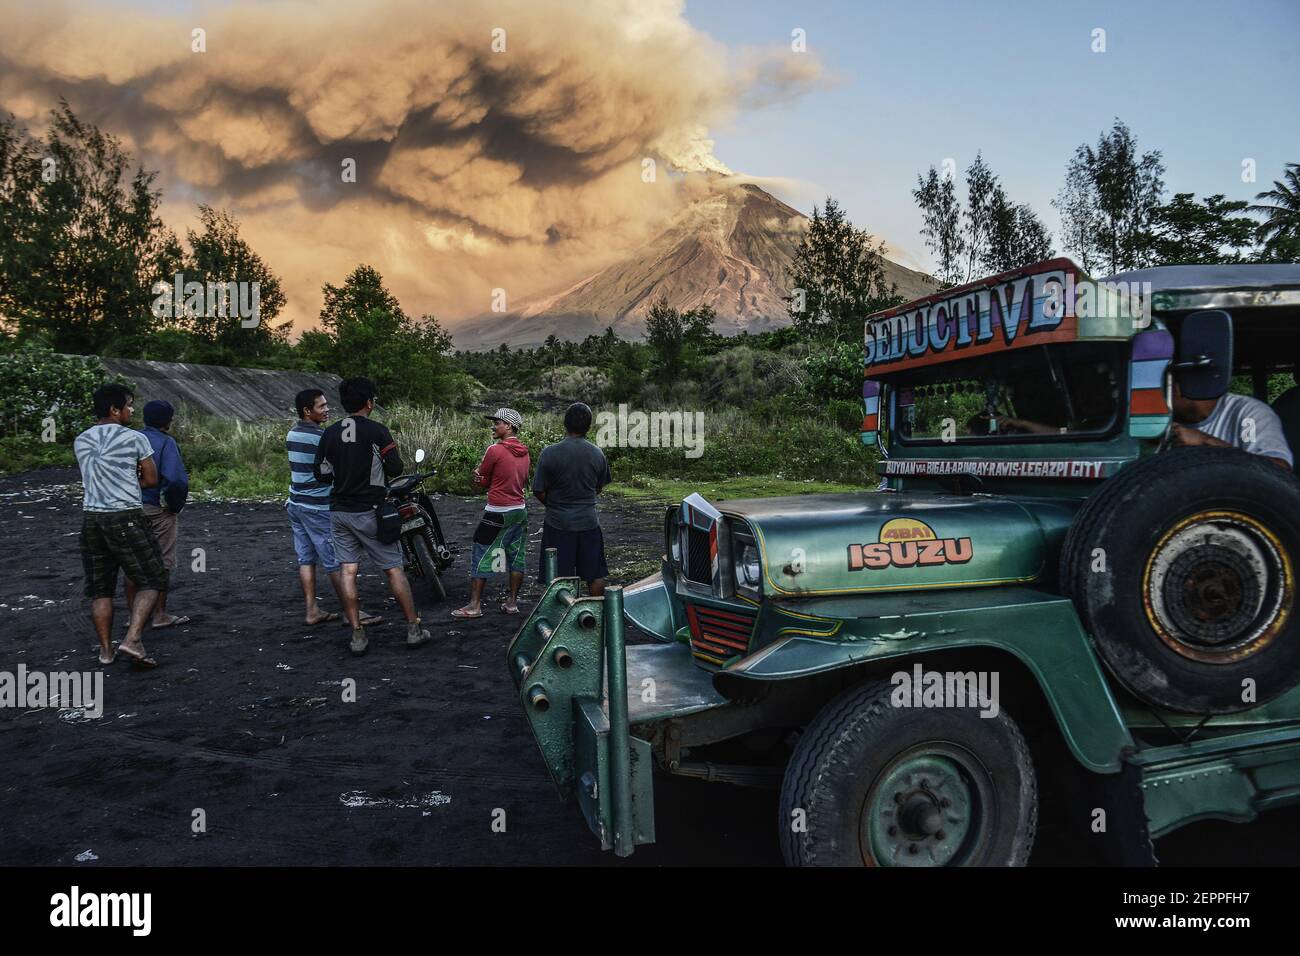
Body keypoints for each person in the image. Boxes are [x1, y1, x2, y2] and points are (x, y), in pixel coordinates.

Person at [313, 377, 431, 655]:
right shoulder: (377, 431)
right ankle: (413, 628)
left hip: (339, 513)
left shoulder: (329, 434)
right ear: (369, 402)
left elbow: (321, 473)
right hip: (370, 511)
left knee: (348, 571)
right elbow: (394, 467)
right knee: (393, 568)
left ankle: (357, 635)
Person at [73, 384, 167, 668]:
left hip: (92, 518)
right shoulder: (135, 438)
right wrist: (131, 480)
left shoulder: (81, 439)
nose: (132, 409)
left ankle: (105, 652)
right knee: (153, 577)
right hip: (125, 515)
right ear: (115, 409)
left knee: (100, 589)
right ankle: (133, 638)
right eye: (129, 404)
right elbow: (152, 480)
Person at [287, 388, 382, 628]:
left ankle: (312, 610)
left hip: (295, 503)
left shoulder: (292, 434)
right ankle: (354, 614)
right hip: (317, 506)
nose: (327, 409)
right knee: (334, 562)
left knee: (306, 558)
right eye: (321, 406)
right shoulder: (322, 437)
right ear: (307, 411)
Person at [452, 408, 530, 618]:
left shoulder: (494, 450)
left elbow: (484, 480)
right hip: (519, 511)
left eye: (497, 423)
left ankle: (474, 606)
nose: (493, 426)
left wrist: (478, 477)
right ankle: (512, 602)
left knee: (481, 551)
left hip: (497, 511)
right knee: (516, 556)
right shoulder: (525, 451)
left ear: (509, 426)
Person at [532, 402, 612, 595]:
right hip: (589, 522)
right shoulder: (597, 453)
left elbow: (538, 490)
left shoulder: (549, 453)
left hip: (558, 523)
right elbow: (598, 487)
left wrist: (554, 505)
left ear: (565, 424)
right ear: (589, 426)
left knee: (558, 576)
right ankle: (596, 616)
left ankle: (562, 618)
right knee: (595, 574)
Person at [123, 400, 190, 629]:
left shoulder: (130, 439)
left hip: (129, 506)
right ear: (168, 420)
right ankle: (159, 614)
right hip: (156, 508)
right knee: (162, 562)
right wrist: (174, 505)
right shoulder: (166, 443)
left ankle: (133, 616)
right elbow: (176, 480)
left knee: (133, 563)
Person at [1171, 379, 1293, 470]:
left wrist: (1206, 442)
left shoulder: (1246, 416)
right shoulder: (1161, 425)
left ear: (1178, 388)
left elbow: (1279, 469)